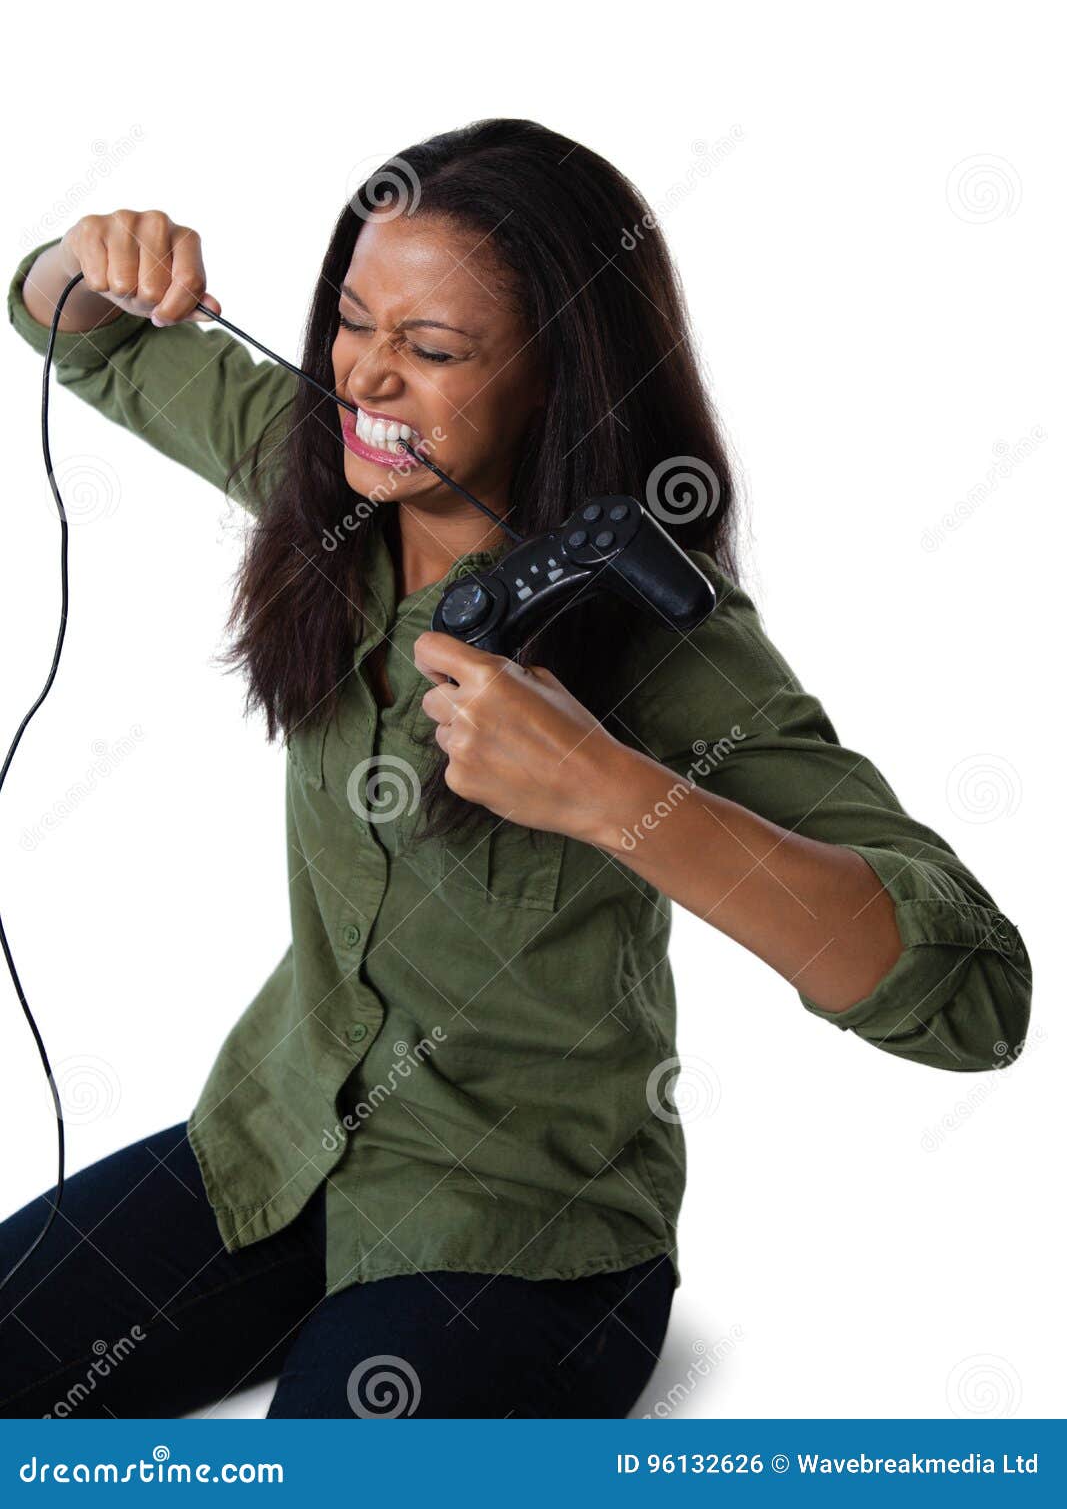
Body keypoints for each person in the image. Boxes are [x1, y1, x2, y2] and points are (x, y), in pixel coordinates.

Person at [0, 119, 1031, 1419]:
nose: (368, 378)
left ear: (559, 375)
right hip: (275, 1137)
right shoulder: (323, 474)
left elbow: (976, 1000)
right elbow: (74, 328)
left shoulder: (658, 627)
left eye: (432, 350)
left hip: (522, 1225)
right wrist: (94, 257)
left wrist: (616, 796)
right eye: (351, 322)